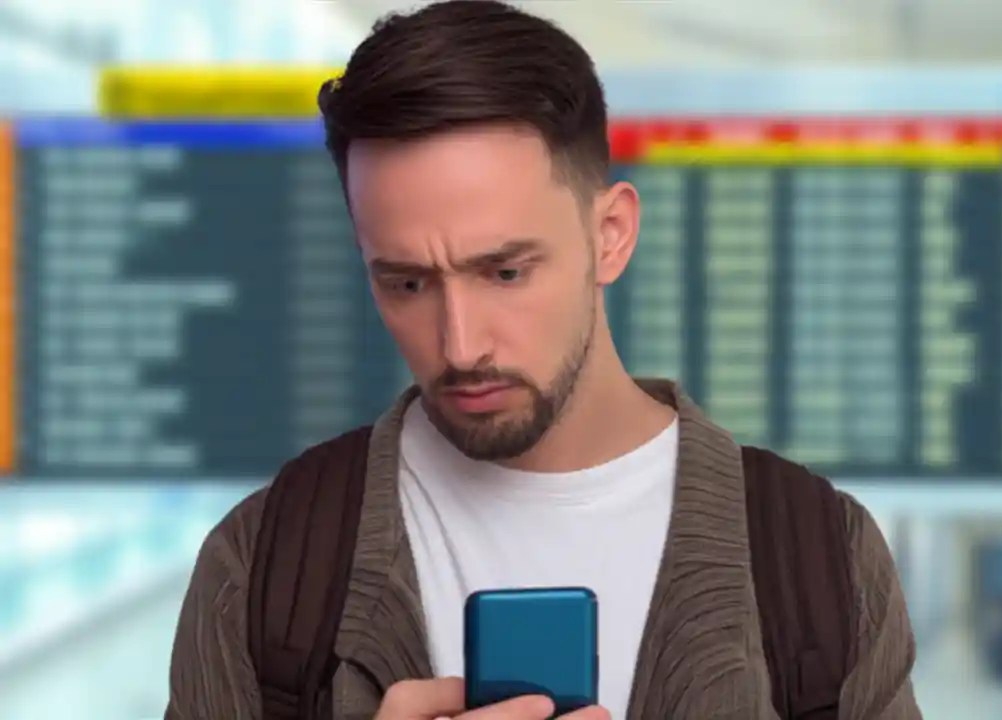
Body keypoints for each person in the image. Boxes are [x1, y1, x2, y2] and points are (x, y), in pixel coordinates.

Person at [165, 1, 922, 719]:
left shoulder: (822, 558)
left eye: (505, 272)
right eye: (407, 283)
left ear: (611, 236)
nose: (461, 345)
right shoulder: (261, 563)